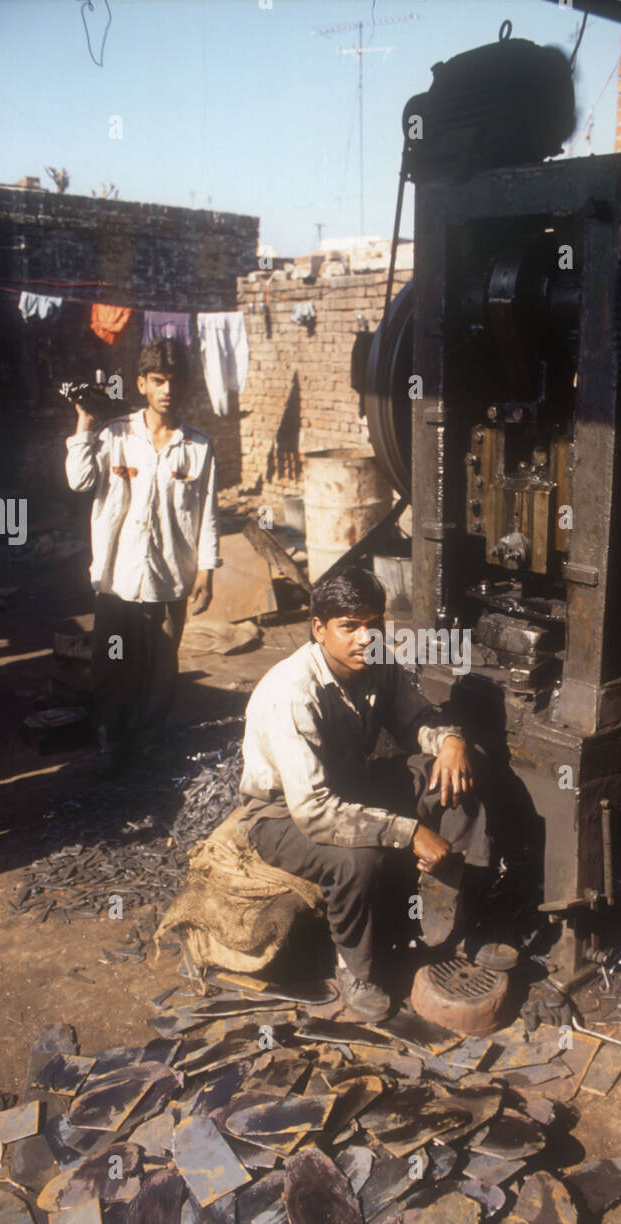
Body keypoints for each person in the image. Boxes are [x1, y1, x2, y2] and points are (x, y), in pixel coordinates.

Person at [238, 566, 492, 1020]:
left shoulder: (377, 663)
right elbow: (314, 811)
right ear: (319, 629)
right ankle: (356, 968)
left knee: (454, 772)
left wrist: (450, 741)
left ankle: (454, 906)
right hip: (284, 816)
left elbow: (416, 721)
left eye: (373, 624)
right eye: (348, 626)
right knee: (357, 860)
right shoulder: (292, 695)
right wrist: (410, 832)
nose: (363, 638)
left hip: (351, 787)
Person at [65, 338, 219, 769]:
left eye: (174, 381)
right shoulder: (114, 435)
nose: (167, 389)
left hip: (171, 578)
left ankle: (149, 738)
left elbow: (208, 510)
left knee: (160, 666)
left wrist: (207, 569)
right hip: (118, 581)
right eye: (158, 381)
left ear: (185, 386)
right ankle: (112, 737)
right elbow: (78, 481)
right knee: (113, 659)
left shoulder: (198, 447)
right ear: (142, 384)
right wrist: (84, 421)